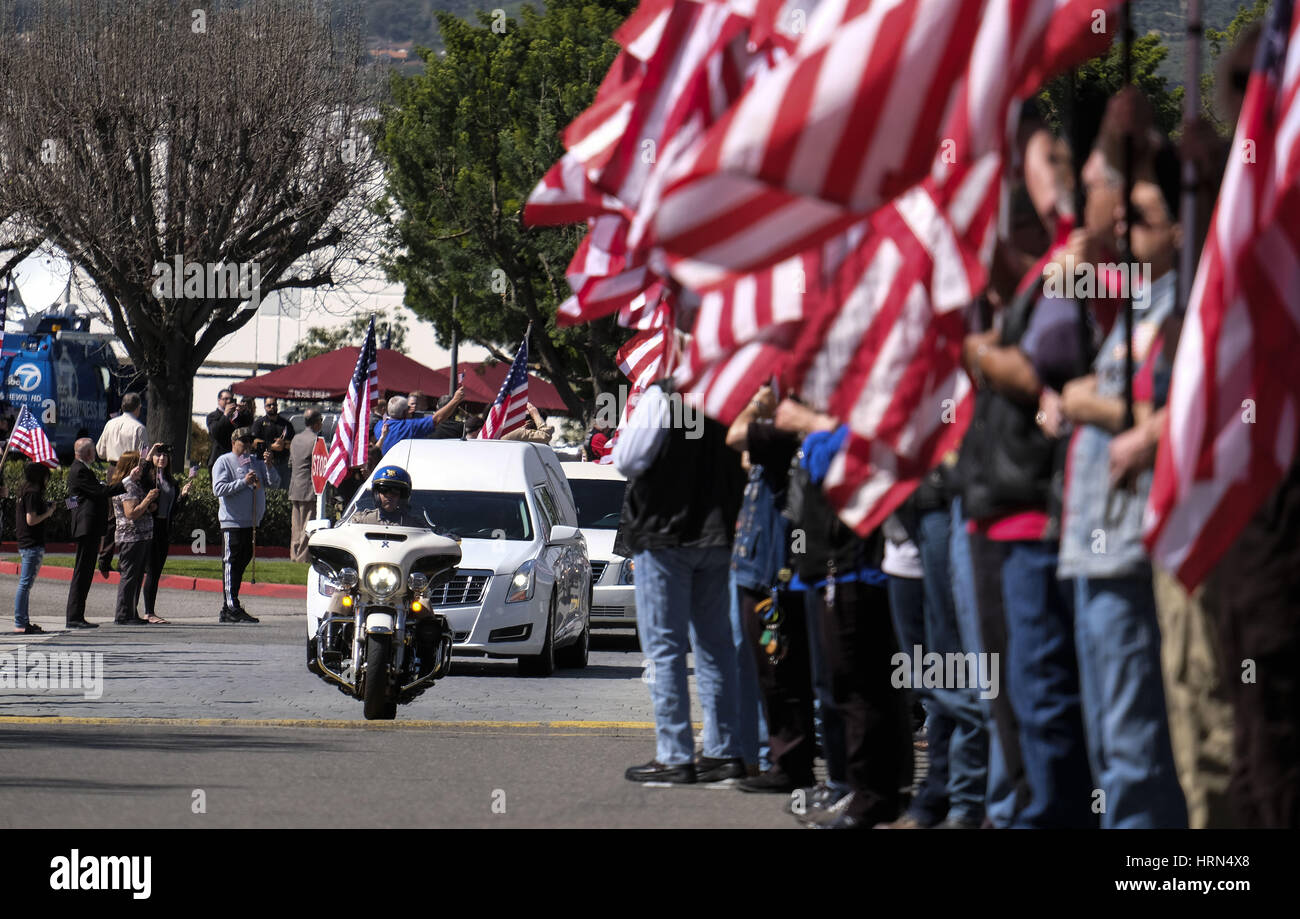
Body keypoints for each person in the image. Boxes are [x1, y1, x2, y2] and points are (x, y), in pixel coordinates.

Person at [614, 378, 748, 784]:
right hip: (719, 532)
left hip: (663, 534)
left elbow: (628, 460)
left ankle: (675, 755)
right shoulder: (734, 390)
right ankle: (723, 750)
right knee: (717, 645)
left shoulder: (666, 394)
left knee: (664, 648)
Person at [64, 437, 140, 629]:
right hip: (86, 528)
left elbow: (72, 499)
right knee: (82, 572)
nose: (95, 455)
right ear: (88, 453)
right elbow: (101, 492)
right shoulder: (79, 470)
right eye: (93, 451)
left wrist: (74, 509)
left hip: (87, 526)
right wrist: (129, 479)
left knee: (85, 572)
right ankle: (74, 617)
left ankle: (77, 615)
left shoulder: (79, 469)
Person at [211, 427, 278, 623]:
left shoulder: (252, 462)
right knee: (231, 563)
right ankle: (232, 606)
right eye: (243, 441)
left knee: (241, 562)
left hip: (251, 523)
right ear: (234, 442)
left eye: (249, 441)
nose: (247, 445)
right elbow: (218, 489)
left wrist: (269, 465)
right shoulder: (223, 461)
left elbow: (274, 482)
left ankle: (230, 605)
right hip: (232, 522)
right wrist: (242, 481)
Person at [141, 444, 192, 624]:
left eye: (164, 456)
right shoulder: (147, 477)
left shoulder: (171, 481)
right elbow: (140, 482)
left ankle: (150, 611)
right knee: (145, 570)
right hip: (148, 527)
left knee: (155, 571)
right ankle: (143, 611)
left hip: (164, 528)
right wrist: (148, 456)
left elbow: (174, 510)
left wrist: (183, 496)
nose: (161, 458)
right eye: (158, 455)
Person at [110, 451, 160, 625]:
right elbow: (131, 513)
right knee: (130, 575)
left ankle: (131, 611)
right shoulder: (127, 485)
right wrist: (147, 500)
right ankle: (123, 614)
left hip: (141, 535)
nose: (141, 467)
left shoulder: (134, 484)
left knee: (137, 575)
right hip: (131, 536)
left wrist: (149, 505)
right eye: (137, 464)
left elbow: (140, 508)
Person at [13, 462, 55, 634]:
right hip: (31, 543)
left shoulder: (26, 490)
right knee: (25, 584)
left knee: (26, 584)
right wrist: (48, 513)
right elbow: (31, 519)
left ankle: (23, 621)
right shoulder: (32, 493)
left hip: (27, 542)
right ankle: (21, 622)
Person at [289, 409, 324, 562]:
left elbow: (291, 462)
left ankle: (293, 554)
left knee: (296, 526)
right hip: (309, 487)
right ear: (317, 423)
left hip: (294, 486)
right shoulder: (316, 440)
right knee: (307, 524)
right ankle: (302, 557)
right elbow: (319, 467)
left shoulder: (296, 438)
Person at [375, 390, 465, 448]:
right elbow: (437, 419)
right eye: (408, 408)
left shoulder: (379, 425)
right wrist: (455, 400)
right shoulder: (409, 426)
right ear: (404, 412)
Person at [350, 466, 426, 527]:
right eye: (384, 490)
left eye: (395, 491)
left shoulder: (414, 524)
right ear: (376, 494)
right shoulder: (362, 520)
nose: (389, 495)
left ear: (403, 495)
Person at [96, 392, 148, 464]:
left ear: (122, 406)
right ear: (138, 407)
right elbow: (143, 457)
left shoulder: (110, 424)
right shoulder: (139, 428)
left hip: (112, 470)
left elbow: (101, 452)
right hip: (129, 470)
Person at [252, 397, 293, 487]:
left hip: (283, 464)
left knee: (283, 494)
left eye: (274, 404)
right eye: (269, 405)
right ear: (264, 407)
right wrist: (272, 446)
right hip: (264, 464)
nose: (272, 407)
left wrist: (284, 444)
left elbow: (293, 444)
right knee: (267, 494)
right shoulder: (259, 423)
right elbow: (253, 443)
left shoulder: (286, 424)